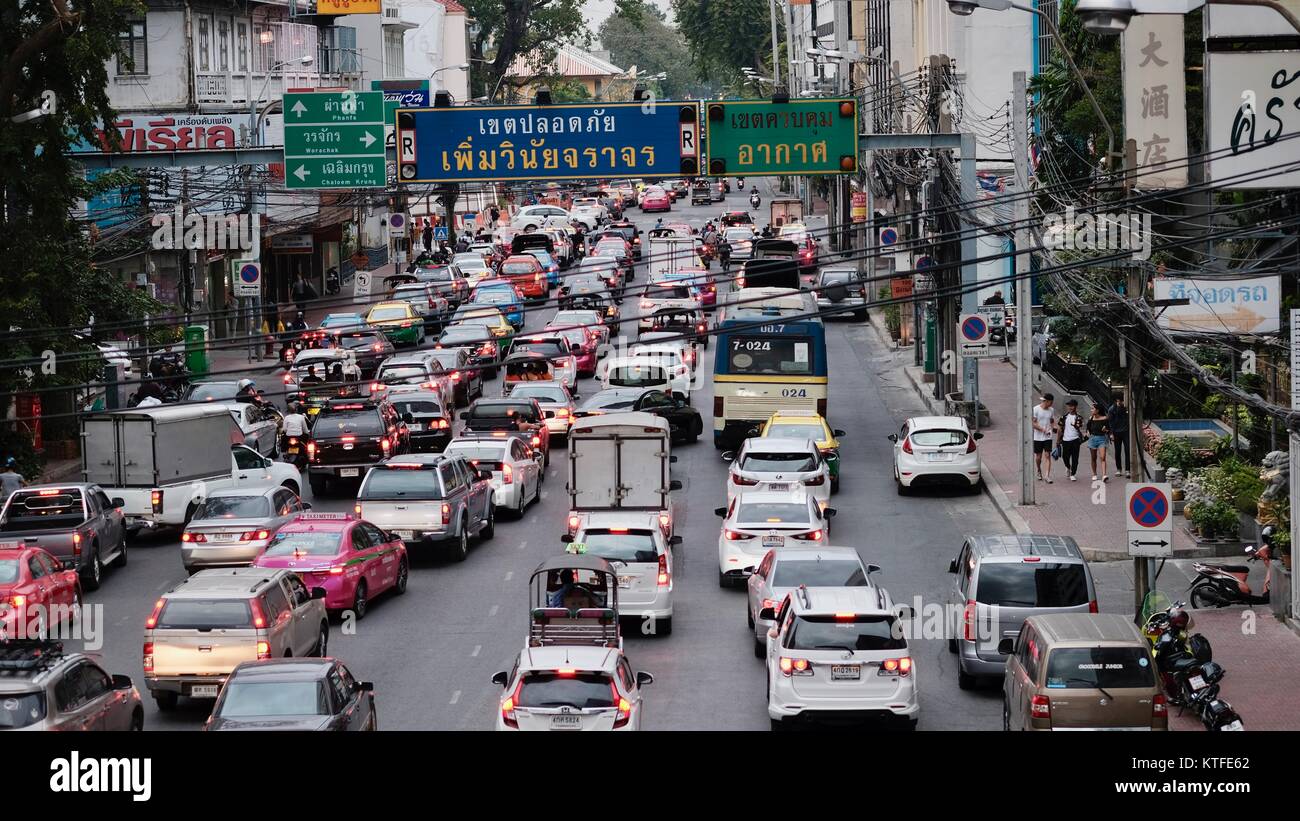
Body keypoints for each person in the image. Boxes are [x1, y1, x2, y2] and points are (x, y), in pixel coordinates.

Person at [1057, 399, 1084, 481]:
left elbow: (1080, 427)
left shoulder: (1079, 417)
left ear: (1075, 406)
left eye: (1072, 405)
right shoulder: (1064, 417)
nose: (1070, 407)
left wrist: (1077, 426)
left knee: (1075, 458)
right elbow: (1060, 429)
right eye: (1069, 406)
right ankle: (1068, 467)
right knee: (1065, 457)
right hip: (1065, 440)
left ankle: (1073, 474)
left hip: (1075, 440)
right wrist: (1058, 440)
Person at [1031, 393, 1056, 484]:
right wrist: (1042, 430)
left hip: (1048, 437)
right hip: (1037, 437)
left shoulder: (1051, 410)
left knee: (1047, 455)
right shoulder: (1036, 409)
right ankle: (1038, 470)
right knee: (1038, 457)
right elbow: (1033, 423)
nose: (1052, 404)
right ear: (1046, 401)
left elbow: (1052, 421)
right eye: (1051, 402)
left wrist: (1054, 427)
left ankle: (1047, 476)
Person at [1086, 403, 1111, 482]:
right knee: (1093, 458)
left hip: (1102, 439)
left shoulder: (1105, 418)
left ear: (1097, 410)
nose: (1091, 410)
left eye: (1093, 409)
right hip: (1093, 439)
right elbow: (1088, 429)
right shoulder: (1091, 418)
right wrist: (1087, 433)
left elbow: (1109, 430)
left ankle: (1104, 475)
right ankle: (1094, 474)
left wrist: (1105, 430)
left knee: (1103, 457)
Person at [1108, 394, 1130, 477]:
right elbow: (1110, 422)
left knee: (1127, 450)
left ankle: (1128, 470)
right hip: (1116, 432)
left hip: (1125, 431)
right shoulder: (1112, 409)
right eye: (1118, 401)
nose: (1120, 402)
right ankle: (1119, 469)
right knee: (1117, 451)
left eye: (1121, 400)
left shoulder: (1126, 408)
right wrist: (1111, 433)